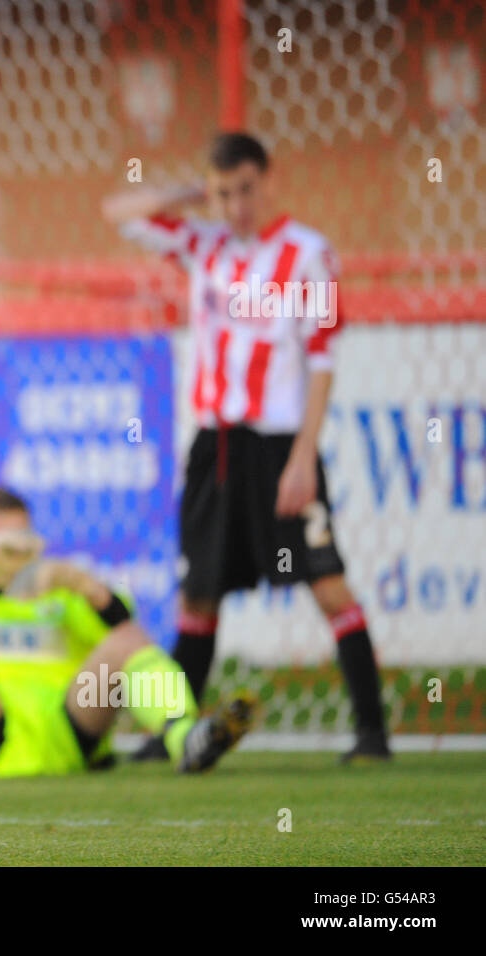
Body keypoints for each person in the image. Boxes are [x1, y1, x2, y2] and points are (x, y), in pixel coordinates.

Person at [102, 132, 390, 763]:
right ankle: (173, 731)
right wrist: (191, 193)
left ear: (269, 180)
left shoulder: (308, 254)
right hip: (215, 447)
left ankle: (372, 734)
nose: (235, 205)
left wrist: (304, 457)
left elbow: (321, 357)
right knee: (198, 592)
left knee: (328, 583)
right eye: (224, 192)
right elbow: (118, 212)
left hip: (280, 446)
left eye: (245, 189)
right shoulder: (203, 243)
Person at [0, 488, 254, 778]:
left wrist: (79, 581)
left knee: (127, 640)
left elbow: (122, 623)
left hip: (69, 732)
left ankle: (184, 737)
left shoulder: (60, 595)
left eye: (17, 536)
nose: (7, 548)